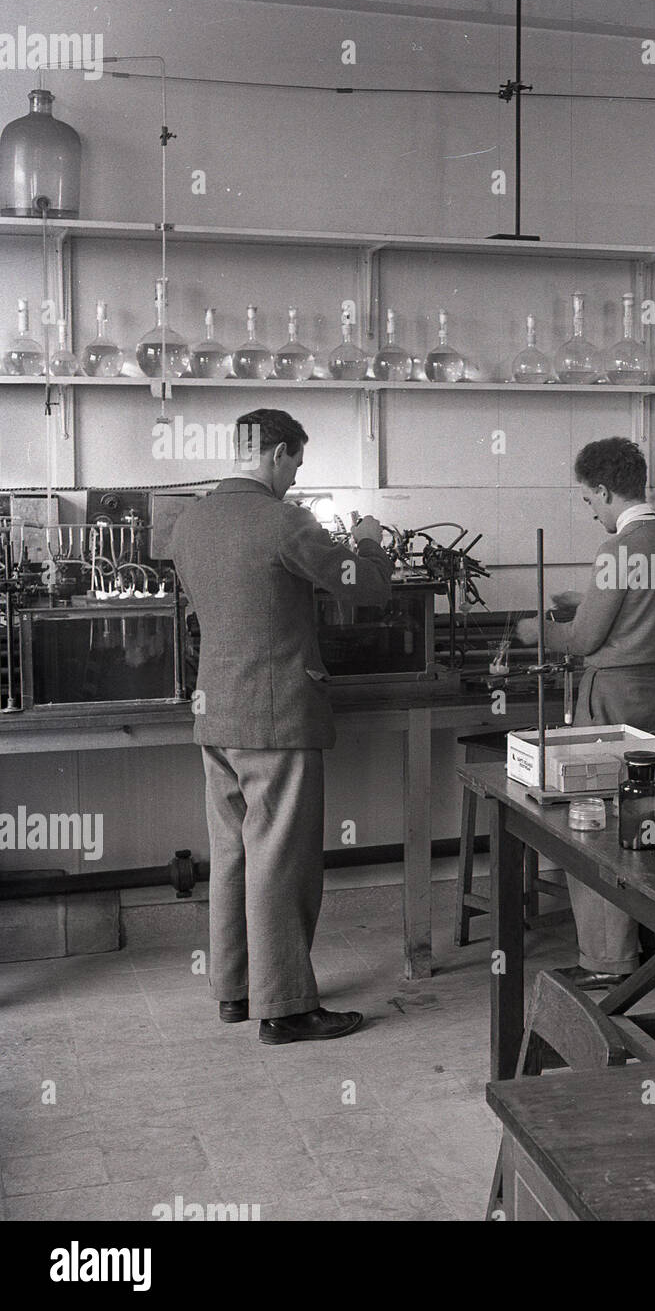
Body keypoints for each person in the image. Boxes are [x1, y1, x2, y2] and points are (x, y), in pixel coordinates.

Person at [171, 409, 393, 1043]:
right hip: (277, 715)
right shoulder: (283, 521)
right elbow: (368, 587)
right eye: (295, 462)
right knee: (283, 861)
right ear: (276, 453)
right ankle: (288, 1008)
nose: (296, 477)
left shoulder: (192, 520)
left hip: (216, 712)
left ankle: (236, 992)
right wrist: (370, 538)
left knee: (235, 855)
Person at [516, 438, 655, 989]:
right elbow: (639, 606)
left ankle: (607, 960)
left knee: (593, 826)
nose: (590, 509)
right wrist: (587, 596)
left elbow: (585, 638)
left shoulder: (618, 549)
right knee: (649, 822)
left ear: (603, 488)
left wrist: (535, 631)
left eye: (589, 498)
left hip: (609, 701)